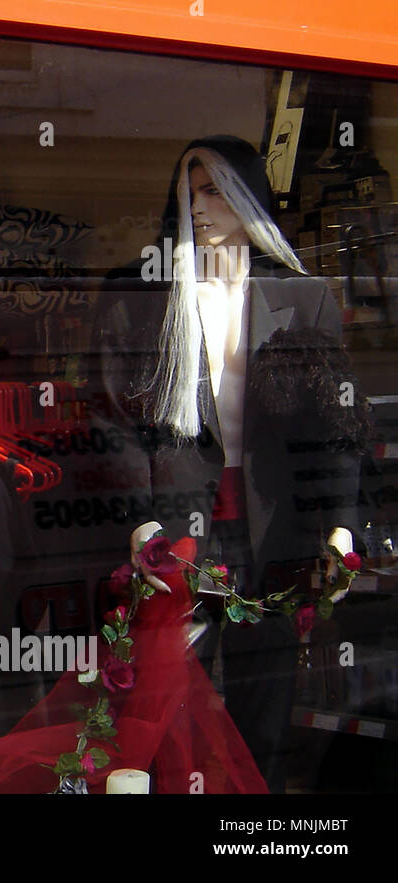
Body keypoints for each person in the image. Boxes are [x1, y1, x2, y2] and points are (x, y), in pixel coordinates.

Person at [95, 135, 369, 791]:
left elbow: (337, 427)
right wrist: (142, 530)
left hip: (276, 540)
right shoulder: (144, 295)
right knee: (157, 718)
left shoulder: (305, 300)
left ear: (249, 198)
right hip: (178, 542)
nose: (200, 205)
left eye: (215, 189)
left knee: (263, 719)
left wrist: (340, 524)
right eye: (190, 191)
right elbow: (113, 421)